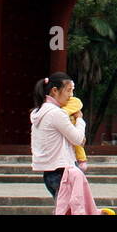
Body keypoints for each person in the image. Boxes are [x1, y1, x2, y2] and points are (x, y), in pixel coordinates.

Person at [30, 72, 86, 201]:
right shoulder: (57, 114)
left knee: (62, 207)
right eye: (68, 91)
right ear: (55, 91)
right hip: (63, 170)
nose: (71, 96)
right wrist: (80, 120)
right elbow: (78, 139)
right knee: (71, 209)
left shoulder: (38, 112)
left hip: (49, 172)